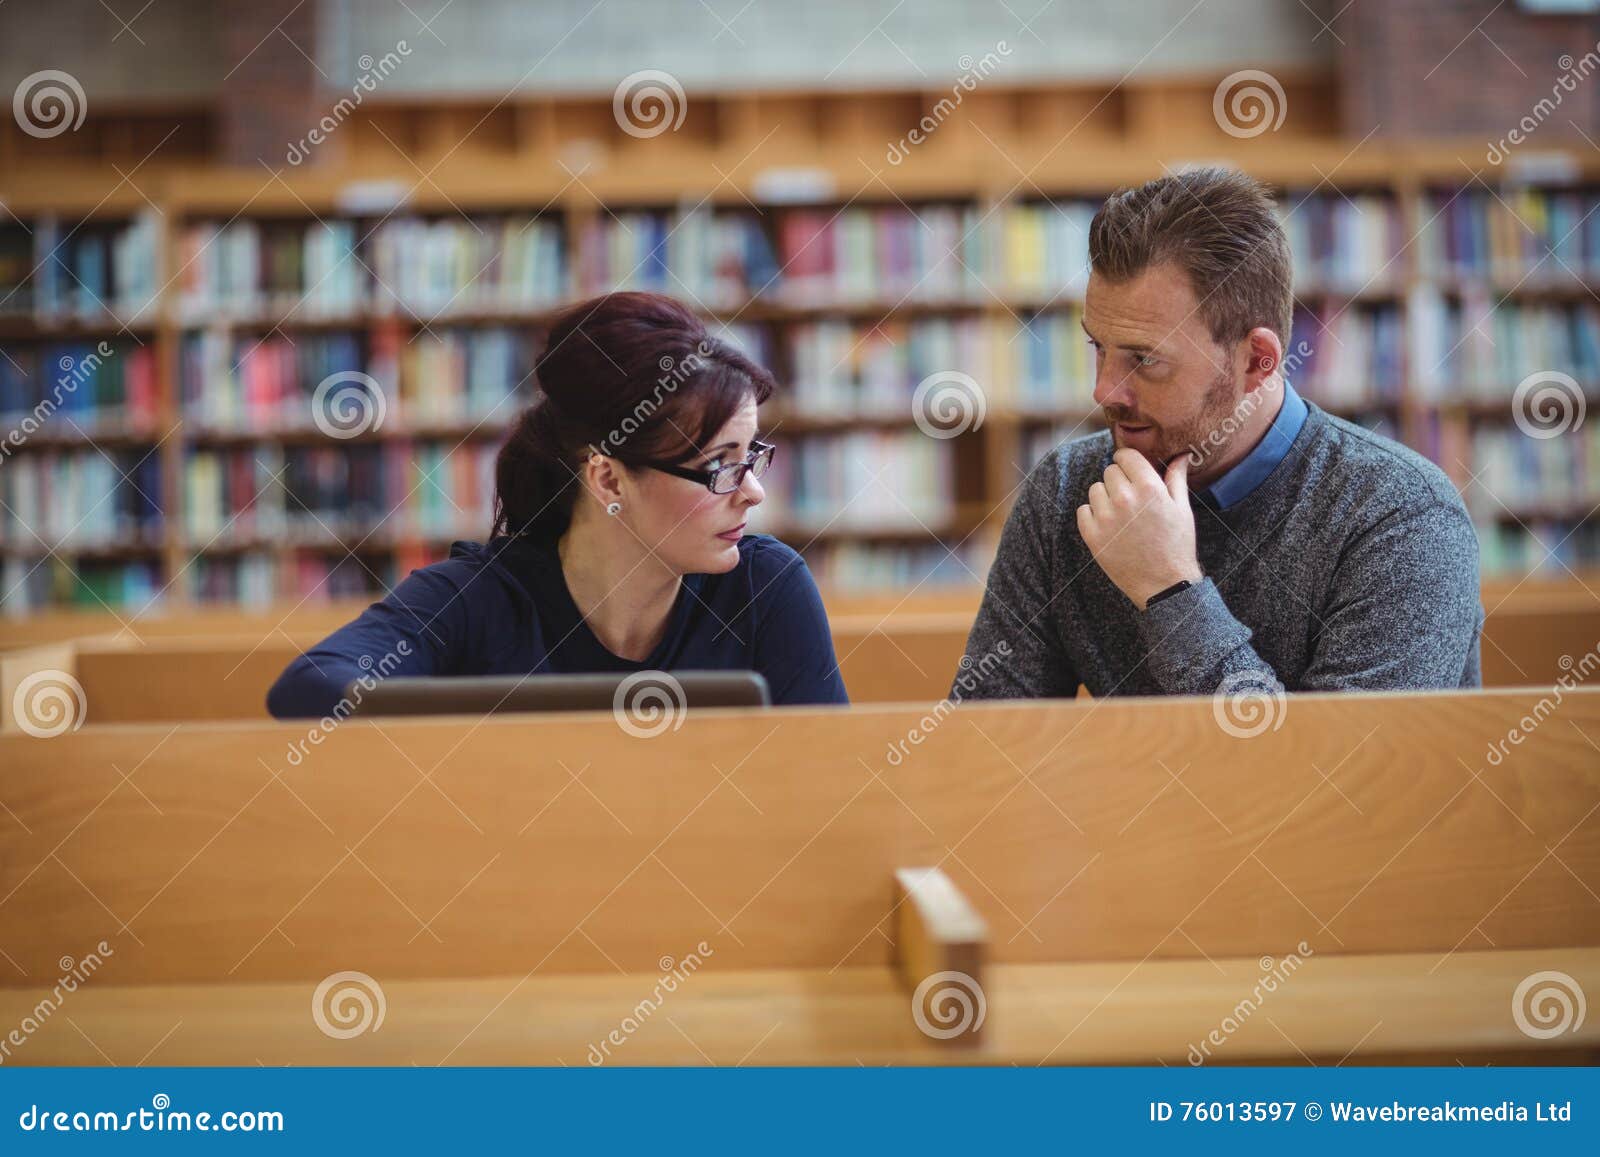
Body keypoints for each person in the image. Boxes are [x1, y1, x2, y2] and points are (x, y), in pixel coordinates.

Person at [952, 166, 1483, 701]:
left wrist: (1170, 592)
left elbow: (1340, 777)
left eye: (1144, 359)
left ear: (1257, 361)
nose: (1106, 392)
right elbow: (988, 749)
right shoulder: (1066, 492)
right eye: (1099, 348)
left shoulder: (1401, 517)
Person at [267, 291, 849, 718]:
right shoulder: (476, 600)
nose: (754, 490)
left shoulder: (765, 588)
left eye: (752, 456)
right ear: (609, 480)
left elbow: (833, 787)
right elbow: (307, 690)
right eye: (721, 465)